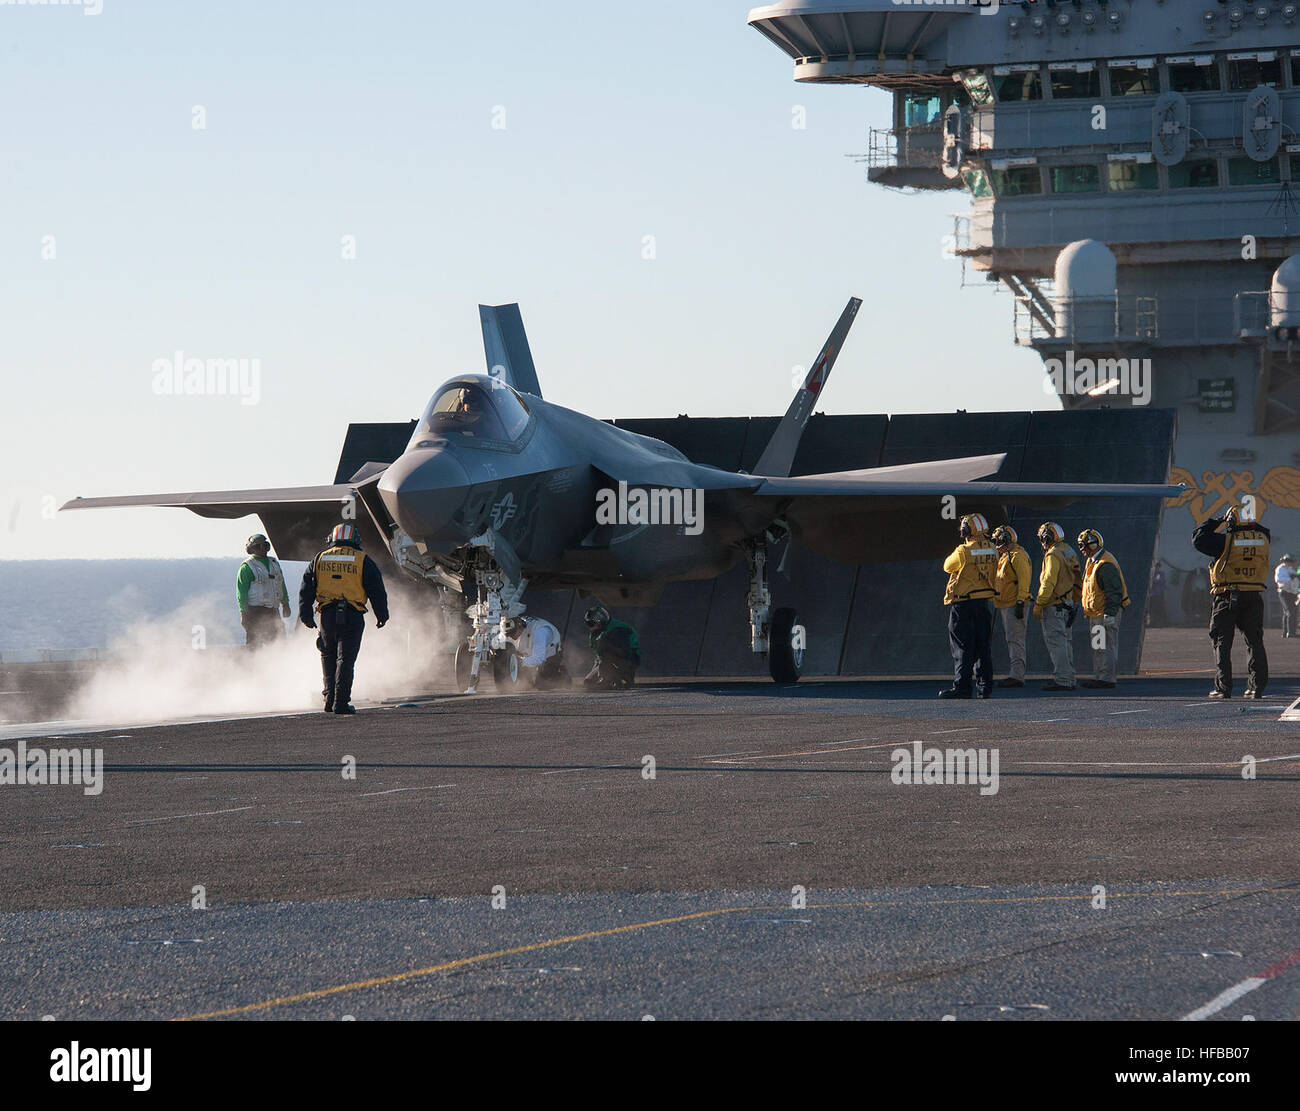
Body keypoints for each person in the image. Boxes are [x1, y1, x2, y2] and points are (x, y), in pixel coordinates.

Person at [299, 524, 389, 714]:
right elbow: (376, 589)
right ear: (355, 539)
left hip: (327, 616)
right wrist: (382, 615)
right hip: (352, 615)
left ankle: (328, 698)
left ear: (332, 538)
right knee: (345, 660)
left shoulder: (320, 558)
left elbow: (306, 589)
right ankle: (341, 703)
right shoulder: (362, 559)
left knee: (327, 657)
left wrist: (306, 615)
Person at [1194, 505, 1270, 699]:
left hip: (1227, 595)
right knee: (1255, 642)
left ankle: (1223, 687)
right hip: (1253, 596)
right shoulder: (1263, 539)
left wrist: (1219, 519)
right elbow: (1263, 530)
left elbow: (1198, 537)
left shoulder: (1224, 541)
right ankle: (1256, 687)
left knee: (1221, 642)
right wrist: (1249, 522)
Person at [938, 513, 998, 699]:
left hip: (963, 604)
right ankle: (985, 686)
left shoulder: (963, 551)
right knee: (983, 646)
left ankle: (962, 688)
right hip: (983, 603)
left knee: (962, 646)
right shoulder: (993, 549)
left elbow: (947, 566)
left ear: (967, 530)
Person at [1077, 528, 1129, 690]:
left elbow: (1114, 590)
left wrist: (1110, 613)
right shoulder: (1093, 561)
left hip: (1104, 613)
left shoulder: (1105, 563)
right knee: (1098, 646)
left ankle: (1107, 678)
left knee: (1106, 646)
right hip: (1096, 613)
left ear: (1093, 545)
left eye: (1085, 546)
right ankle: (1100, 676)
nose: (1083, 550)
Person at [1033, 522, 1081, 692]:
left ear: (1047, 537)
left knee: (1057, 643)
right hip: (1067, 604)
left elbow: (1048, 582)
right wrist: (1075, 601)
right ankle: (1069, 677)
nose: (1041, 542)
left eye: (1042, 538)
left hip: (1054, 605)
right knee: (1066, 642)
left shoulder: (1053, 555)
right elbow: (1077, 578)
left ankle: (1063, 679)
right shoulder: (1069, 550)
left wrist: (1039, 604)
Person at [991, 525, 1032, 688]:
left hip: (1014, 604)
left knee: (1016, 639)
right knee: (1012, 639)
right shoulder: (1005, 557)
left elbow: (1024, 581)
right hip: (1005, 603)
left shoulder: (1017, 556)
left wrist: (1020, 602)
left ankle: (1017, 675)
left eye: (997, 540)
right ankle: (1016, 673)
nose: (995, 544)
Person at [236, 533, 290, 649]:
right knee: (254, 645)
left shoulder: (274, 564)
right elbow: (242, 592)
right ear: (252, 549)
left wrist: (285, 603)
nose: (263, 549)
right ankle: (252, 666)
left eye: (265, 545)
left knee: (279, 644)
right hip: (254, 612)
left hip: (273, 611)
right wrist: (243, 613)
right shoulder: (247, 567)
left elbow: (280, 583)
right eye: (259, 546)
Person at [582, 604, 641, 689]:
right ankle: (615, 677)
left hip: (628, 659)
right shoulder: (596, 633)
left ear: (600, 620)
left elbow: (625, 652)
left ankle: (620, 677)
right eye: (588, 624)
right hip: (606, 662)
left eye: (591, 624)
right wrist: (598, 670)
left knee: (604, 645)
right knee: (588, 682)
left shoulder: (618, 629)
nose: (590, 627)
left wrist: (609, 668)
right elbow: (598, 657)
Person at [508, 615, 569, 689]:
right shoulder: (510, 631)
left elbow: (539, 659)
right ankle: (530, 677)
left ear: (521, 627)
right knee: (525, 685)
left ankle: (562, 676)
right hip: (527, 653)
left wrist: (520, 662)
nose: (511, 637)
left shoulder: (539, 633)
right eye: (508, 634)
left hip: (549, 653)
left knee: (542, 684)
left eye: (513, 633)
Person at [1275, 553, 1298, 639]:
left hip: (1291, 593)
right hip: (1284, 592)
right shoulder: (1280, 569)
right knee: (1290, 611)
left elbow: (1295, 582)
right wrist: (1290, 578)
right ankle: (1291, 632)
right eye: (1288, 561)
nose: (1289, 563)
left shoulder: (1291, 569)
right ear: (1284, 561)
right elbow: (1278, 579)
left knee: (1288, 612)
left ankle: (1286, 632)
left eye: (1290, 561)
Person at [1148, 562, 1167, 627]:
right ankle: (1153, 622)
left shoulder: (1160, 574)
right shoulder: (1153, 574)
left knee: (1158, 609)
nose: (1157, 568)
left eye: (1158, 567)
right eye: (1156, 567)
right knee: (1152, 609)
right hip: (1153, 595)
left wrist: (1152, 579)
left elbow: (1156, 581)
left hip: (1158, 595)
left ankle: (1159, 623)